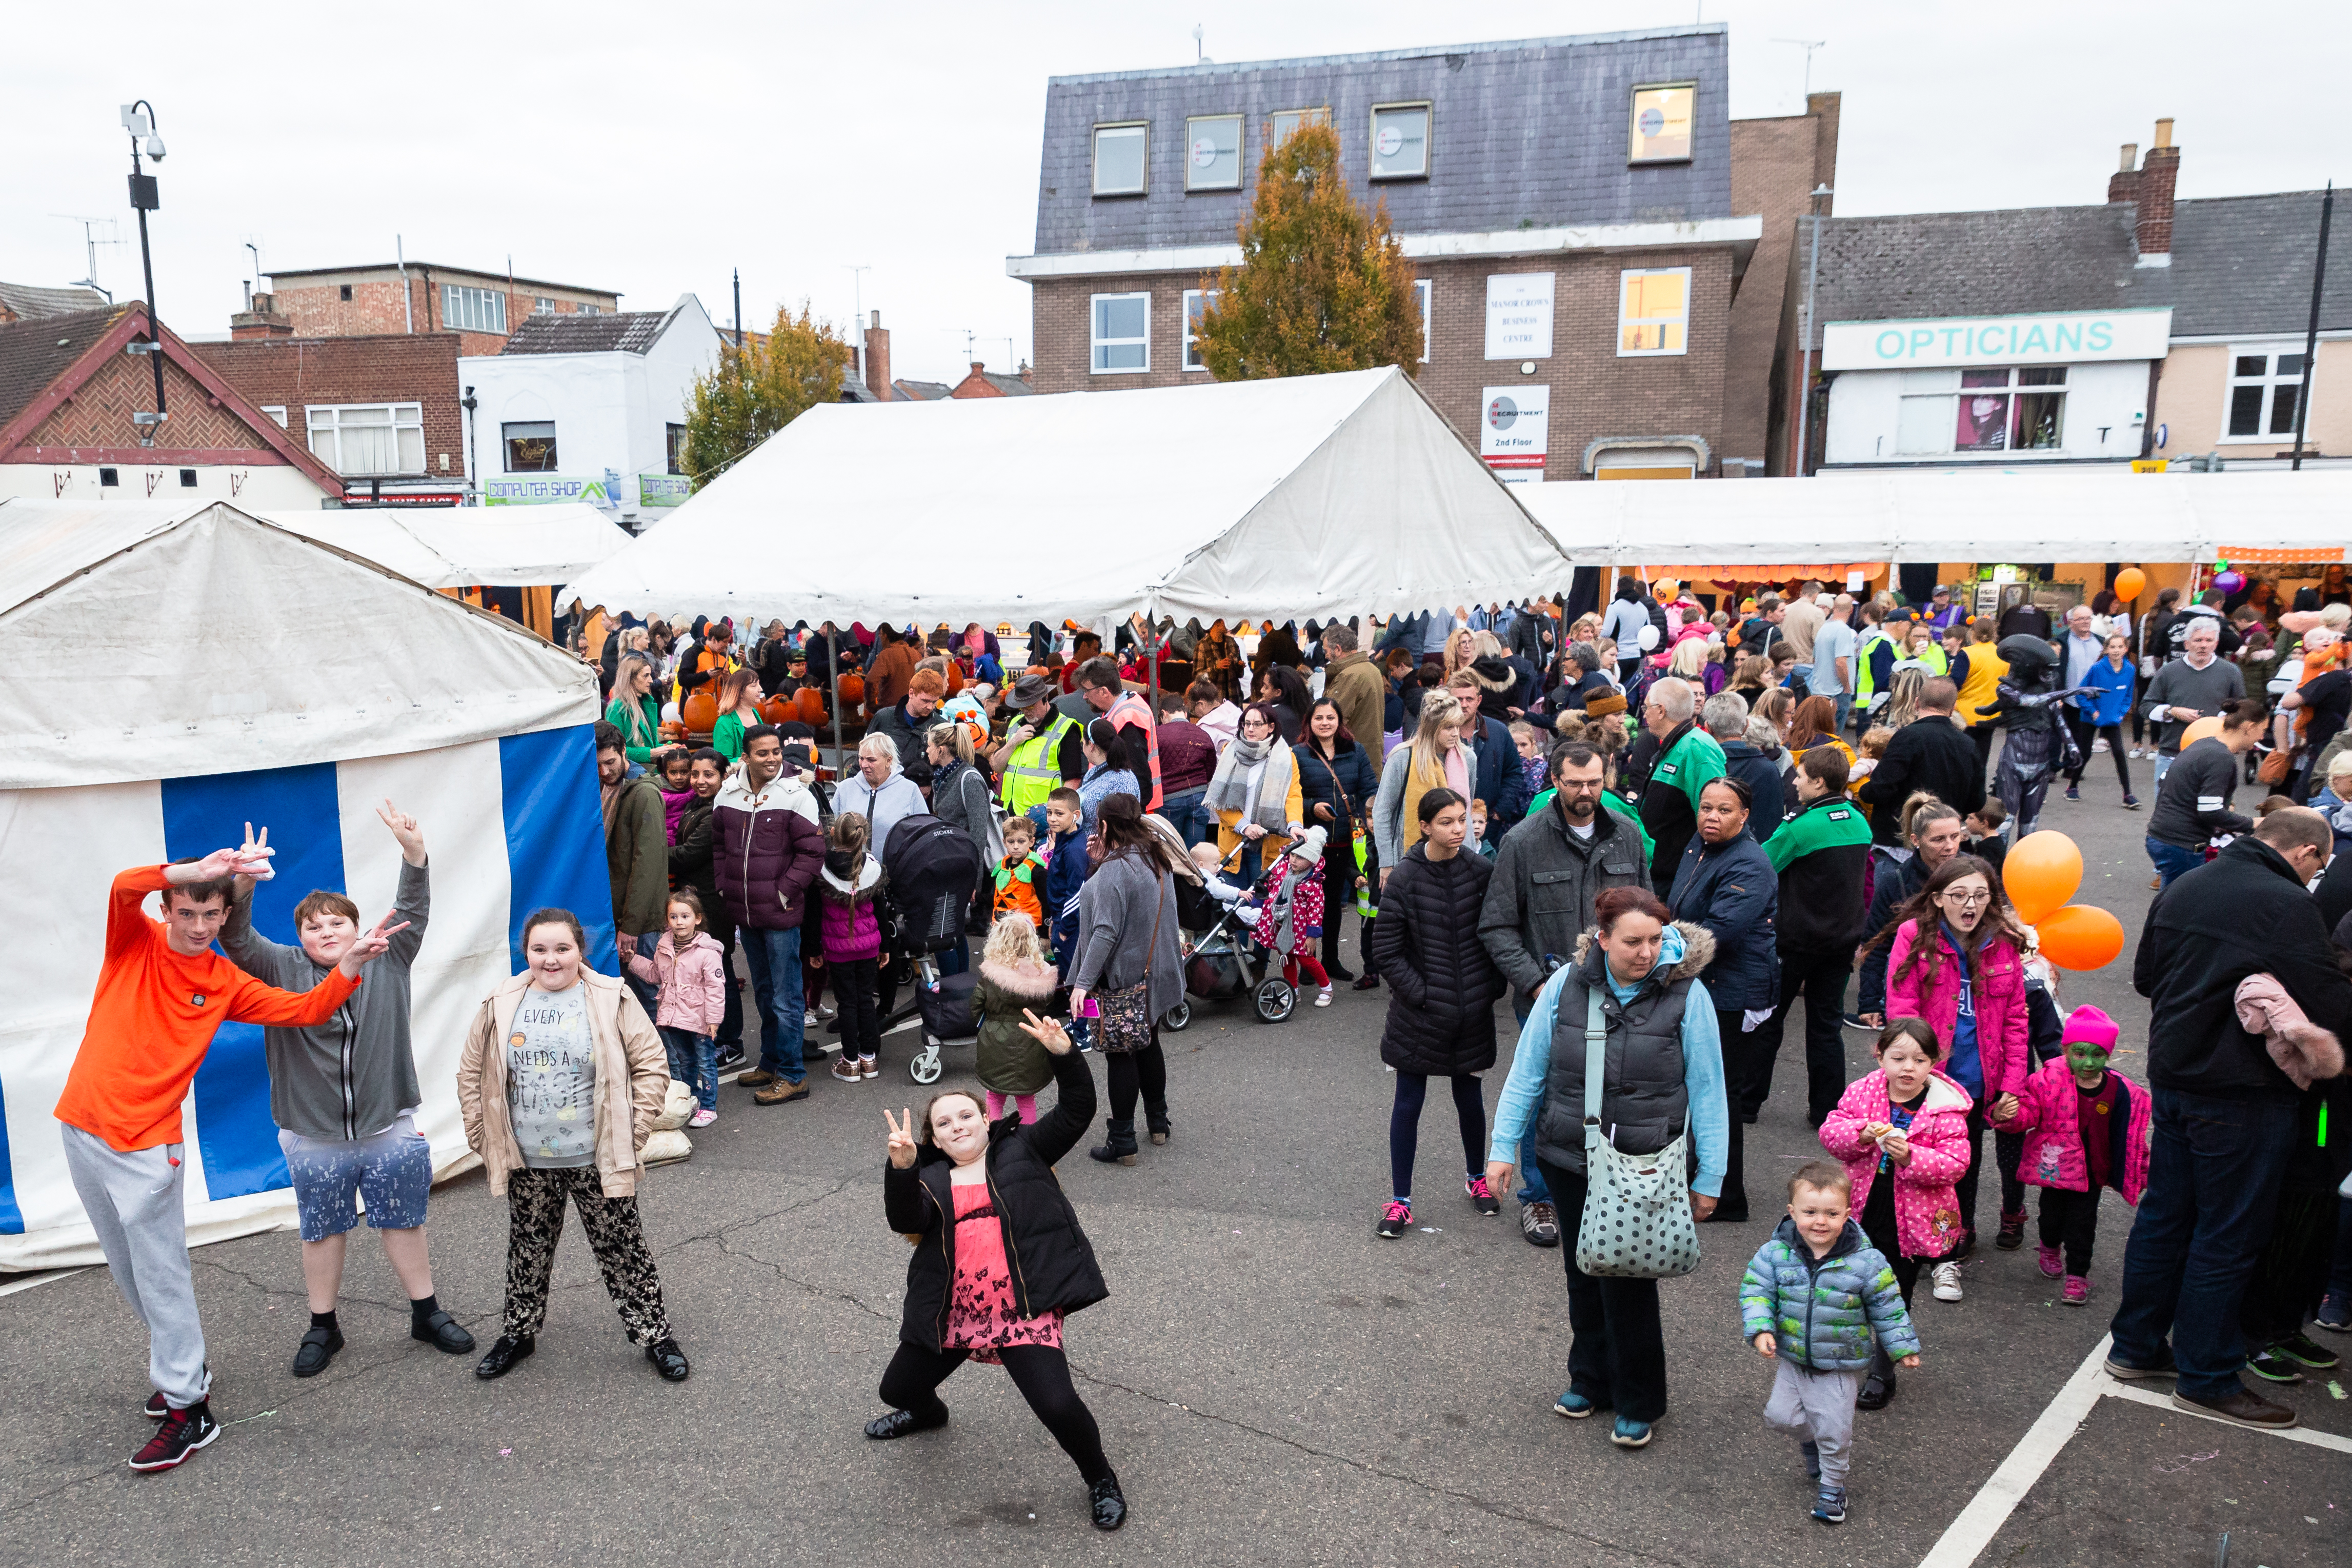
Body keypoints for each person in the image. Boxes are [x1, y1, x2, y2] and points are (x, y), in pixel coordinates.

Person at [60, 848, 400, 1468]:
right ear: (168, 908)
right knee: (127, 1270)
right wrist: (193, 869)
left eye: (210, 915)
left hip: (146, 1146)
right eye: (187, 911)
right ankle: (180, 1368)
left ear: (224, 916)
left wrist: (348, 963)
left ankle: (192, 1408)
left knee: (160, 1276)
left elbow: (307, 1009)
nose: (197, 926)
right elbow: (121, 883)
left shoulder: (224, 981)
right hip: (82, 1126)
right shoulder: (133, 941)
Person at [2107, 807, 2349, 1429]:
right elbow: (2330, 1003)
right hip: (2243, 1091)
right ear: (2303, 852)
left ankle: (2135, 1346)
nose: (2317, 874)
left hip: (2175, 1075)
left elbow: (2145, 978)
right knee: (2229, 1233)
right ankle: (2208, 1375)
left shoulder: (2189, 882)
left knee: (2165, 1217)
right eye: (2319, 864)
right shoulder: (2286, 904)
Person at [216, 804, 471, 1377]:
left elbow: (413, 909)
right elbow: (234, 934)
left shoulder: (389, 955)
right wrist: (245, 879)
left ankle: (426, 1312)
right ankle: (323, 1326)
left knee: (403, 1219)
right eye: (314, 926)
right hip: (313, 1132)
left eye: (337, 923)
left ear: (358, 929)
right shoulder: (278, 966)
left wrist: (413, 854)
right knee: (323, 1226)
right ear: (299, 936)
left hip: (389, 1123)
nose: (326, 932)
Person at [1484, 887, 1729, 1449]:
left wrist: (1710, 1175)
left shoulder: (1688, 996)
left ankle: (1639, 1399)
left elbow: (1710, 1089)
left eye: (1656, 940)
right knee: (1582, 1271)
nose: (1647, 952)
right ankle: (1589, 1379)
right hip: (1567, 1153)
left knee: (1630, 1279)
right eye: (1633, 942)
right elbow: (1528, 1070)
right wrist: (1504, 1148)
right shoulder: (1565, 988)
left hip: (1643, 1161)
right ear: (1602, 940)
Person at [872, 1012, 1127, 1531]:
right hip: (954, 1311)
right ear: (935, 1141)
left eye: (965, 1116)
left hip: (1021, 1310)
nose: (957, 1126)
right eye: (943, 1124)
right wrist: (901, 1170)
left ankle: (1101, 1476)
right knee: (896, 1390)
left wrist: (1064, 1053)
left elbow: (1079, 1108)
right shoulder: (929, 1178)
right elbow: (905, 1219)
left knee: (1058, 1405)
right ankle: (928, 1414)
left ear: (986, 1121)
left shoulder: (1023, 1149)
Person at [458, 908, 690, 1385]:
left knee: (623, 1249)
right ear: (526, 952)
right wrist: (484, 1137)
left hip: (597, 1158)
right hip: (528, 1159)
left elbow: (651, 1066)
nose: (551, 959)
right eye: (539, 949)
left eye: (561, 948)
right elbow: (471, 1073)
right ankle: (518, 1334)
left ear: (580, 949)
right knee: (528, 1248)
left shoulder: (610, 996)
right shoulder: (502, 1001)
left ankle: (655, 1335)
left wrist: (635, 1132)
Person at [1479, 741, 1653, 1247]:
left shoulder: (1627, 835)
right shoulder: (1523, 841)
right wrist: (1535, 983)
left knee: (1615, 1091)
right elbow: (1496, 926)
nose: (1585, 792)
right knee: (1543, 1094)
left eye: (1595, 782)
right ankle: (1539, 1198)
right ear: (1554, 779)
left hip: (1622, 995)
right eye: (1575, 782)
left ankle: (1604, 1191)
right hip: (1546, 997)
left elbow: (1647, 911)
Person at [1879, 854, 2031, 1302]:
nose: (1970, 904)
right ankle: (1908, 1242)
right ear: (1938, 897)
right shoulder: (1914, 936)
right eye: (1959, 895)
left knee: (1961, 1172)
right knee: (1908, 1166)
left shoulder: (2002, 943)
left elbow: (2016, 1021)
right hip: (1926, 1080)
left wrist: (2012, 1087)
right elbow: (1901, 1009)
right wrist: (1915, 1071)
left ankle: (1949, 1251)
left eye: (1980, 896)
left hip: (1978, 1085)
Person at [1739, 1160, 1921, 1524]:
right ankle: (1811, 1444)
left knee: (1835, 1432)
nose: (1819, 1222)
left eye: (1830, 1213)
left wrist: (1902, 1347)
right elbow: (1756, 1291)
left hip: (1837, 1364)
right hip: (1792, 1359)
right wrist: (1760, 1329)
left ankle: (1833, 1488)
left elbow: (1888, 1306)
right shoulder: (1775, 1254)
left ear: (1847, 1214)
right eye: (1809, 1212)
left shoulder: (1866, 1262)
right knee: (1780, 1418)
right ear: (1792, 1213)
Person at [1817, 1015, 1971, 1414]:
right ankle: (1842, 1355)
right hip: (1861, 1210)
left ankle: (1882, 1371)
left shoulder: (1945, 1109)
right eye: (1898, 1058)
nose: (1908, 1068)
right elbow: (1831, 1132)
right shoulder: (1862, 1093)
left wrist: (1912, 1156)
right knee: (1846, 1286)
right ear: (1879, 1056)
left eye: (1919, 1060)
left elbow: (1956, 1163)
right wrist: (1861, 1135)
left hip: (1909, 1222)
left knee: (1893, 1295)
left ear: (1935, 1062)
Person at [1372, 789, 1505, 1237]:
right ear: (1424, 826)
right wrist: (1423, 995)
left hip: (1471, 1012)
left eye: (1461, 819)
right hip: (1418, 1015)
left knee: (1470, 1098)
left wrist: (1486, 990)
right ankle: (1400, 1201)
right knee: (1407, 1102)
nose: (1457, 829)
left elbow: (1497, 935)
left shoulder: (1482, 871)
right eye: (1446, 821)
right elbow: (1385, 952)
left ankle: (1476, 1180)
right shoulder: (1405, 879)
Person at [1668, 777, 1780, 1223]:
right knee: (1701, 1091)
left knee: (1719, 1095)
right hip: (1705, 985)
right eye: (1706, 807)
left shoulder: (1750, 865)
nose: (1711, 817)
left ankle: (1727, 1195)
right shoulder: (1699, 844)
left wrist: (1660, 951)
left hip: (1734, 993)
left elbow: (1719, 932)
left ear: (1745, 815)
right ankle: (1701, 1179)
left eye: (1724, 810)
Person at [1754, 749, 1873, 1130]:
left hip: (1795, 941)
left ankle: (1746, 1102)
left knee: (1768, 1023)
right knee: (1826, 1027)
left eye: (1801, 776)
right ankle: (1827, 1109)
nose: (1794, 781)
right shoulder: (1858, 822)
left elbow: (1761, 865)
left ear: (1819, 782)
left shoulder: (1801, 827)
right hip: (1840, 942)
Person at [2005, 1004, 2150, 1308]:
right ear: (2066, 1050)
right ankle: (2049, 1246)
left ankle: (2077, 1276)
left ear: (2108, 1055)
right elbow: (2029, 1113)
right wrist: (2008, 1115)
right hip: (2055, 1170)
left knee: (2084, 1225)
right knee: (2052, 1218)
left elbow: (2128, 1132)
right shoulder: (2047, 1082)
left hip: (2092, 1172)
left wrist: (2138, 1166)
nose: (2088, 1062)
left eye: (2097, 1055)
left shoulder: (2117, 1088)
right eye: (2080, 1053)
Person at [1068, 795, 1185, 1164]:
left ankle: (1122, 1141)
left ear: (1104, 825)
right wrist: (1100, 862)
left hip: (1124, 978)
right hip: (1158, 970)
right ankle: (1158, 1122)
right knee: (1148, 1041)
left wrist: (1082, 983)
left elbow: (1105, 931)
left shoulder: (1115, 870)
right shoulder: (1155, 855)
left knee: (1121, 1054)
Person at [714, 726, 825, 1106]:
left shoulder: (797, 795)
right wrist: (724, 886)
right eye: (762, 753)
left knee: (786, 997)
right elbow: (718, 846)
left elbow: (813, 854)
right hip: (746, 912)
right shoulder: (728, 793)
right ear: (745, 757)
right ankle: (771, 1061)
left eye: (776, 751)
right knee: (764, 994)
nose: (772, 758)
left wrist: (782, 892)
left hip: (780, 913)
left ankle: (793, 1075)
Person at [1855, 795, 1966, 1029]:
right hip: (1914, 994)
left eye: (1955, 836)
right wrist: (1870, 1002)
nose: (1950, 846)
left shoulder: (1976, 873)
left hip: (1966, 991)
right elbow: (1876, 943)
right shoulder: (1896, 882)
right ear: (1916, 840)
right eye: (1938, 839)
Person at [667, 749, 745, 1071]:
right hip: (698, 899)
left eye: (708, 775)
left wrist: (649, 849)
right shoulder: (694, 805)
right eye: (695, 774)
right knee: (705, 973)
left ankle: (732, 1042)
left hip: (714, 903)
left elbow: (687, 855)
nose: (699, 781)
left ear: (724, 776)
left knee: (719, 971)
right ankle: (717, 1037)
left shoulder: (716, 811)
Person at [621, 890, 727, 1125]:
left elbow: (716, 989)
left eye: (685, 916)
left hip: (700, 1019)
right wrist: (632, 960)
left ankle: (709, 1106)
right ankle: (690, 1099)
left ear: (698, 919)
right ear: (667, 920)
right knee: (685, 1060)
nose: (679, 922)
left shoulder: (708, 953)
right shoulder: (664, 947)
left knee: (706, 1062)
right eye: (674, 917)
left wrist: (714, 1020)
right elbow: (655, 975)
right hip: (674, 1017)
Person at [1297, 696, 1379, 984]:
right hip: (1310, 845)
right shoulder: (1299, 754)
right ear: (1310, 722)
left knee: (1333, 904)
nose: (1325, 723)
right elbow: (1290, 796)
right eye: (1319, 718)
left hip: (1346, 841)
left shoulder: (1355, 751)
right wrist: (1312, 808)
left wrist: (1363, 817)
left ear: (1339, 722)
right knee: (1305, 904)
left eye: (1330, 718)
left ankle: (1330, 959)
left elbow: (1371, 789)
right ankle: (1306, 963)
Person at [2144, 698, 2264, 889]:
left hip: (2161, 836)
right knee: (2181, 908)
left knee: (2169, 902)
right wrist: (2251, 823)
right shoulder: (2221, 757)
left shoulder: (2204, 744)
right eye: (2263, 730)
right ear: (2250, 727)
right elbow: (2210, 811)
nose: (2262, 737)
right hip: (2182, 844)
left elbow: (2165, 780)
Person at [1856, 677, 1985, 846]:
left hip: (1901, 838)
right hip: (1945, 841)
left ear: (1917, 703)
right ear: (1953, 709)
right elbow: (1976, 801)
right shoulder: (1968, 744)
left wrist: (1863, 789)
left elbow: (1881, 789)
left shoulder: (1907, 737)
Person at [810, 811, 888, 1083]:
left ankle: (850, 1061)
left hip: (838, 949)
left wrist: (813, 950)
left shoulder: (821, 869)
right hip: (869, 946)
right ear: (863, 837)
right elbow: (881, 912)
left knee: (847, 1003)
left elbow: (813, 914)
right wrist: (886, 946)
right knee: (866, 1000)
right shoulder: (873, 868)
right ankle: (869, 1058)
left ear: (833, 834)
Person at [597, 722, 670, 1008]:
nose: (605, 772)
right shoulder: (606, 786)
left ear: (624, 751)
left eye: (610, 762)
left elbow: (647, 866)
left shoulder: (644, 793)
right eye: (598, 765)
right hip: (620, 915)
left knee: (653, 1002)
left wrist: (631, 926)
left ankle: (669, 1056)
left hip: (641, 921)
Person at [1636, 676, 1728, 884]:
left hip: (1678, 876)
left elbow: (1715, 814)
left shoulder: (1697, 747)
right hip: (1661, 871)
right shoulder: (1674, 745)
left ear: (1661, 710)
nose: (1645, 714)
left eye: (1646, 708)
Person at [1209, 701, 1305, 889]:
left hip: (1268, 842)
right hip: (1234, 842)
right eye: (1246, 723)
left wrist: (1295, 824)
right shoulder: (1230, 752)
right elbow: (1219, 800)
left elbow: (1293, 796)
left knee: (1259, 906)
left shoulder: (1286, 757)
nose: (1250, 729)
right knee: (1233, 904)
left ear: (1271, 727)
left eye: (1257, 724)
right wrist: (1244, 827)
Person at [973, 913, 1058, 1124]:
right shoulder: (1044, 975)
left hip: (994, 1042)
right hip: (1032, 1042)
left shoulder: (990, 975)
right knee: (1027, 1099)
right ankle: (1028, 1141)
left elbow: (975, 1006)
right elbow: (1048, 1006)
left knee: (994, 1096)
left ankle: (994, 1139)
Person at [2139, 618, 2245, 786]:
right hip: (2172, 753)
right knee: (2167, 808)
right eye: (2198, 640)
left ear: (2216, 644)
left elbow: (2241, 709)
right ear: (2186, 644)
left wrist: (2226, 719)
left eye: (2209, 640)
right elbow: (2146, 707)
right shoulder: (2168, 671)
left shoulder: (2231, 672)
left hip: (2214, 754)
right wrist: (2171, 711)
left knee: (2208, 810)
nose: (2203, 645)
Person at [1251, 826, 1334, 1006]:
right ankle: (1292, 990)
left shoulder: (1313, 884)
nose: (1294, 860)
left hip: (1301, 930)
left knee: (1307, 961)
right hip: (1281, 925)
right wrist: (1256, 905)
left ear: (1312, 861)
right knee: (1287, 959)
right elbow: (1268, 887)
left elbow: (1316, 912)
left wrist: (1312, 936)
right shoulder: (1282, 870)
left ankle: (1326, 988)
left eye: (1301, 857)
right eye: (1293, 855)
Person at [992, 673, 1086, 818]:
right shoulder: (1015, 724)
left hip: (1043, 820)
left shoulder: (1065, 729)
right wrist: (1013, 743)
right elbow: (997, 766)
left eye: (1030, 705)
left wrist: (1059, 819)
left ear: (1045, 699)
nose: (1026, 711)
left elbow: (1073, 782)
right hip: (1011, 816)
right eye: (1021, 707)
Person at [2066, 630, 2140, 807]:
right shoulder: (2097, 668)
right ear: (2106, 650)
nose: (2116, 650)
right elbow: (2081, 693)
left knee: (2120, 753)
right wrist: (2092, 711)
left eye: (2120, 647)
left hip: (2112, 719)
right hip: (2090, 717)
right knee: (2085, 753)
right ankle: (2072, 787)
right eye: (2112, 647)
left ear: (2126, 649)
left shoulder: (2130, 670)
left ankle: (2128, 795)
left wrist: (2121, 713)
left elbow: (2128, 697)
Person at [836, 732, 926, 867]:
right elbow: (832, 832)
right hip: (850, 873)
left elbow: (923, 837)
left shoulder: (909, 790)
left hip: (893, 876)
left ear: (889, 761)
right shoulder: (845, 788)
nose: (864, 765)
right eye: (861, 758)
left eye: (871, 760)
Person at [1706, 692, 1780, 844]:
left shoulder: (1704, 763)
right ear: (1746, 726)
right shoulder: (1768, 770)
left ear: (1708, 728)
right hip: (1752, 855)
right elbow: (1772, 825)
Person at [1154, 695, 1219, 849]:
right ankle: (1194, 874)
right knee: (1196, 851)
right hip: (1199, 797)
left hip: (1170, 799)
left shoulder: (1158, 734)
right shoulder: (1202, 734)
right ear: (1185, 713)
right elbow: (1211, 768)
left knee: (1171, 851)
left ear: (1164, 714)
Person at [870, 668, 947, 792]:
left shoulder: (939, 727)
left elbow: (946, 768)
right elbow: (865, 755)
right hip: (884, 791)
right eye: (925, 701)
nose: (930, 707)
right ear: (911, 693)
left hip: (923, 795)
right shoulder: (884, 718)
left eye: (934, 702)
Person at [1074, 717, 1141, 839]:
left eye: (1083, 743)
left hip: (1106, 853)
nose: (1082, 749)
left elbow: (1123, 830)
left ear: (1092, 746)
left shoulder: (1124, 782)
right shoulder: (1093, 772)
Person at [605, 653, 671, 768]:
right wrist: (652, 753)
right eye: (646, 676)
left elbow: (650, 745)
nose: (651, 680)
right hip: (632, 775)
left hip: (651, 772)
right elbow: (614, 751)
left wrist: (670, 748)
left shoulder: (646, 703)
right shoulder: (616, 708)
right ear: (630, 678)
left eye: (650, 675)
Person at [1811, 597, 1860, 734]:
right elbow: (1840, 662)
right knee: (1834, 737)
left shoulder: (1824, 628)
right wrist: (1847, 687)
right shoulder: (1843, 630)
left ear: (1833, 608)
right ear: (1851, 610)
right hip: (1837, 692)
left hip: (1820, 689)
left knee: (1821, 735)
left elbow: (1815, 659)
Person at [709, 667, 767, 762]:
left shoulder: (756, 713)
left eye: (759, 684)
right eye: (754, 686)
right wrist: (744, 761)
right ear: (740, 692)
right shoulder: (725, 723)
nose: (760, 689)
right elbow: (722, 761)